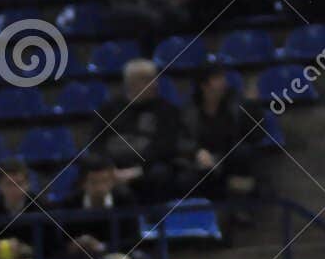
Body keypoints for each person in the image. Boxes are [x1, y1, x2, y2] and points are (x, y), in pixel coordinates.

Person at [98, 60, 192, 201]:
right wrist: (110, 171)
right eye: (147, 80)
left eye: (155, 78)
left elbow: (166, 146)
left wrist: (139, 170)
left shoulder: (167, 110)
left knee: (161, 173)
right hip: (114, 170)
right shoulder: (108, 110)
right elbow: (97, 145)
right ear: (131, 83)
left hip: (149, 170)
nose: (155, 84)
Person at [182, 69, 258, 203]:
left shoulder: (235, 103)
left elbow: (255, 134)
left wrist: (253, 106)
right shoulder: (189, 109)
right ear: (204, 86)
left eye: (223, 78)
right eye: (217, 79)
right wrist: (196, 151)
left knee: (243, 153)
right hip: (201, 158)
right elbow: (181, 139)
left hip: (229, 155)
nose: (224, 83)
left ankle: (239, 209)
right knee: (187, 177)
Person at [0, 159, 63, 259]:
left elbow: (53, 249)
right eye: (9, 184)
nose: (15, 189)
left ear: (28, 185)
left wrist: (26, 250)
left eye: (19, 183)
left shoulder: (42, 208)